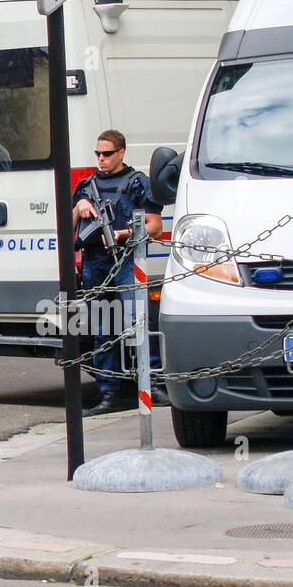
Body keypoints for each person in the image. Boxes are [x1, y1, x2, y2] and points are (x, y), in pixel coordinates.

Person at [72, 129, 165, 417]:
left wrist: (125, 232)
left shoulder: (137, 182)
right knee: (102, 328)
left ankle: (153, 386)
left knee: (139, 323)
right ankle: (109, 392)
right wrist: (80, 206)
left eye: (107, 153)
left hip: (125, 259)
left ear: (122, 153)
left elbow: (155, 225)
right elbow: (68, 224)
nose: (101, 159)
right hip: (95, 262)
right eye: (97, 153)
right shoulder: (87, 185)